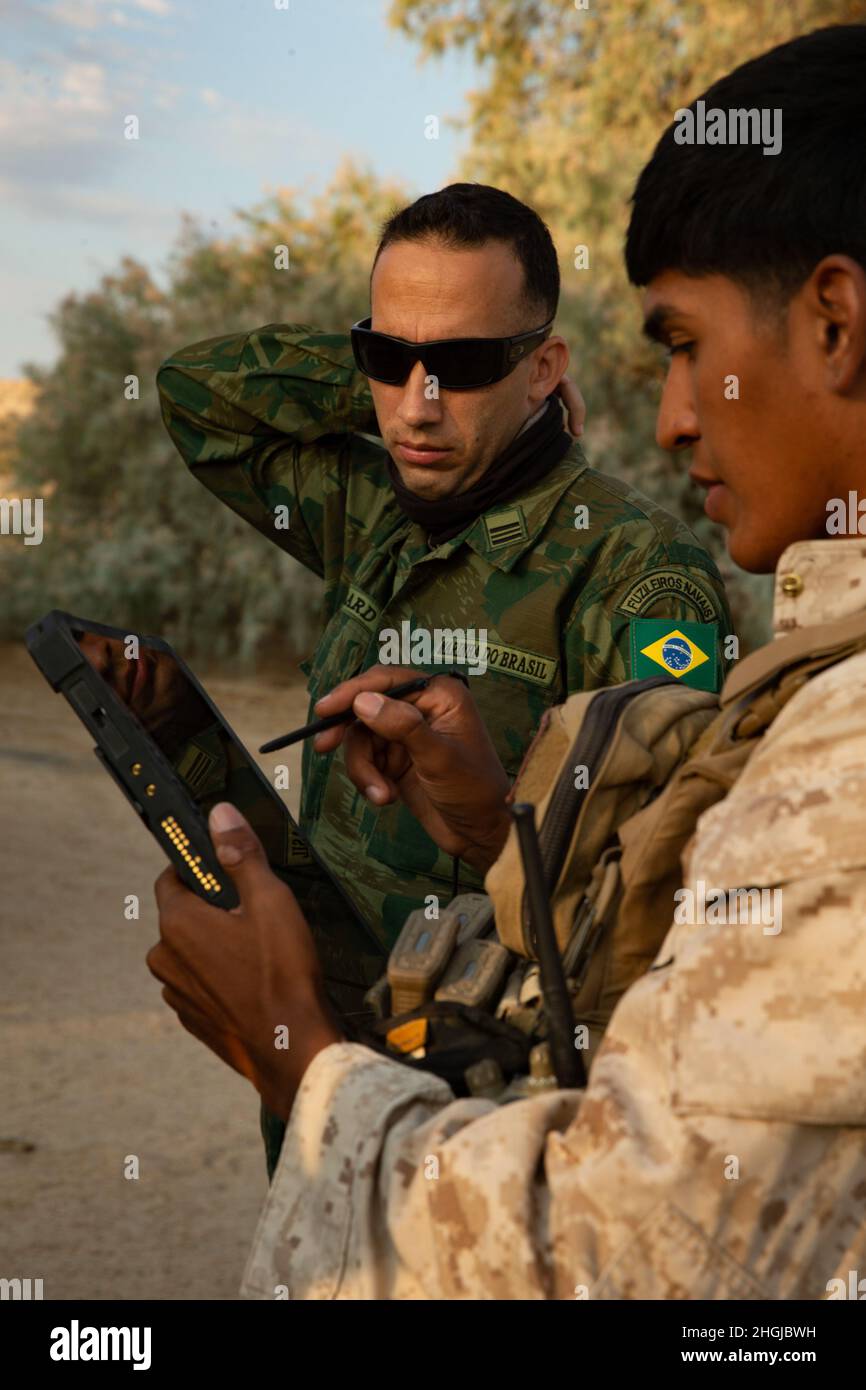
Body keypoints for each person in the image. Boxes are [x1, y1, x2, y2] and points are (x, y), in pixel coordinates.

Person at [145, 17, 866, 1299]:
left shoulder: (637, 571)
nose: (419, 401)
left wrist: (306, 1060)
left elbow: (658, 935)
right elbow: (196, 393)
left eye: (468, 365)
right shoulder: (380, 512)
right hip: (348, 1047)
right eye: (389, 364)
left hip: (481, 1094)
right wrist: (414, 353)